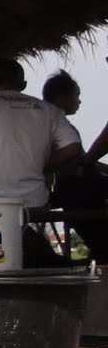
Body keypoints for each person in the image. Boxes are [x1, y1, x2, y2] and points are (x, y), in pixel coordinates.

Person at [0, 59, 78, 211]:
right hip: (33, 200)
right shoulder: (49, 110)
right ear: (23, 85)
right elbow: (73, 147)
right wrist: (41, 165)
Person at [41, 69, 108, 262]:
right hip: (70, 188)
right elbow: (79, 159)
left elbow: (85, 159)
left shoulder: (57, 124)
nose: (79, 101)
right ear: (62, 98)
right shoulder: (55, 125)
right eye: (76, 96)